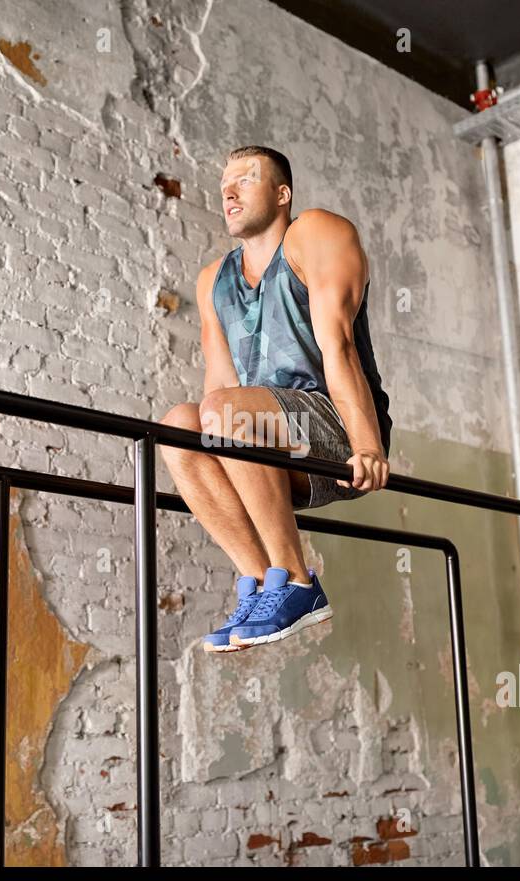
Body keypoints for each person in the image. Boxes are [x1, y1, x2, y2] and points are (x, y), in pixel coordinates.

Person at [159, 146, 393, 652]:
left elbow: (340, 345)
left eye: (246, 178)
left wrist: (368, 446)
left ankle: (298, 582)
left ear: (282, 194)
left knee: (225, 411)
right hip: (260, 437)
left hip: (335, 427)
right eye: (224, 183)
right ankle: (262, 584)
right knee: (178, 425)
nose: (229, 190)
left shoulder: (316, 234)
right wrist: (211, 461)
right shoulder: (212, 281)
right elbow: (217, 388)